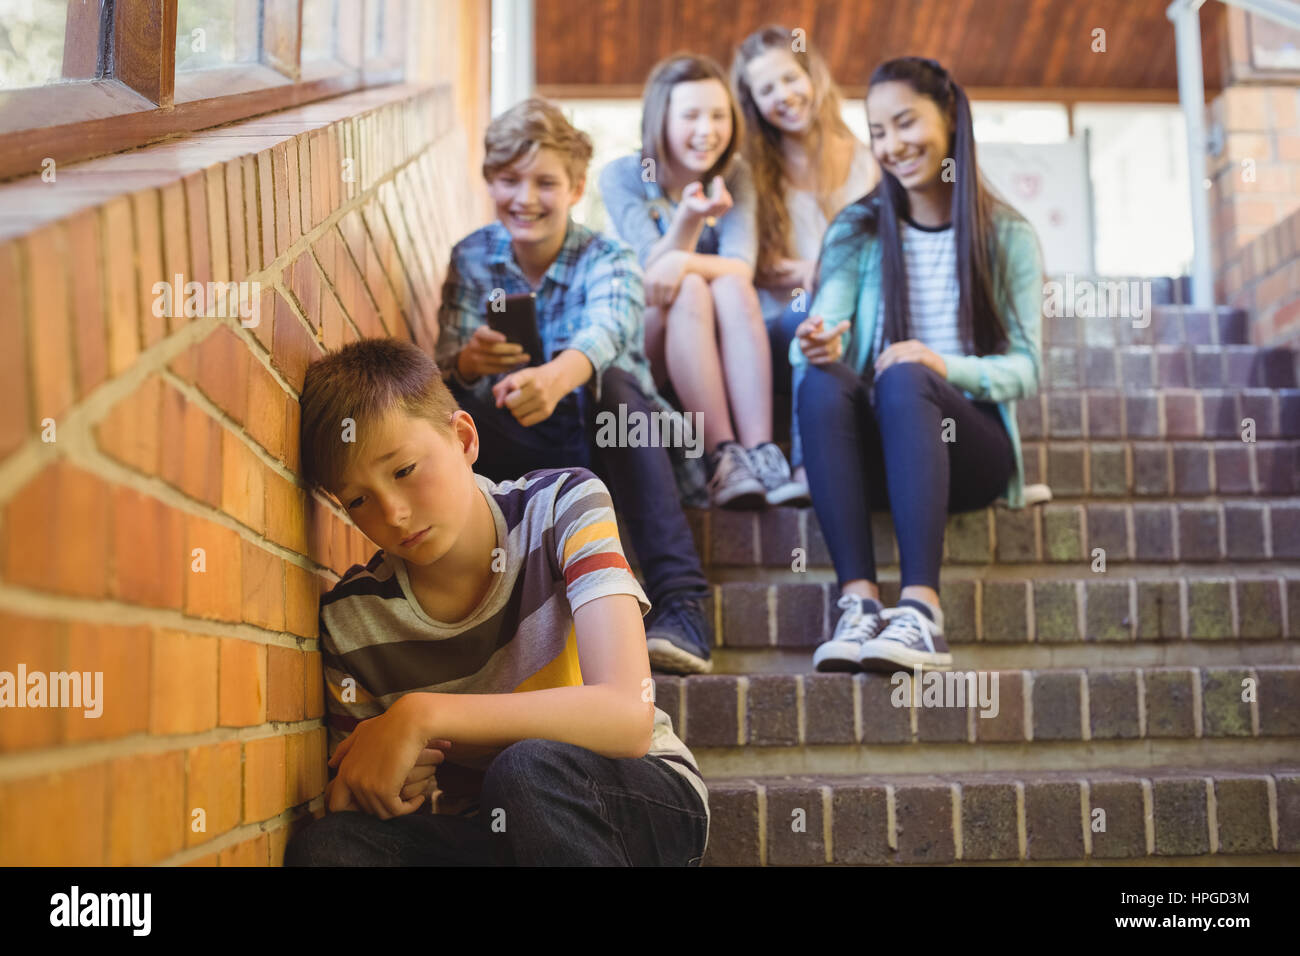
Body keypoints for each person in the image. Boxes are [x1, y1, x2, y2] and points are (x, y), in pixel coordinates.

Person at [283, 338, 709, 866]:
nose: (392, 514)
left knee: (526, 770)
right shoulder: (352, 621)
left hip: (631, 795)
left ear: (463, 439)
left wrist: (423, 715)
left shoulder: (562, 507)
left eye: (404, 470)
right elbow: (359, 799)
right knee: (331, 847)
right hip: (495, 833)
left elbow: (627, 714)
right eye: (358, 500)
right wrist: (394, 787)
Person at [435, 97, 713, 675]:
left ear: (576, 187)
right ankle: (474, 601)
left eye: (545, 182)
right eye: (510, 180)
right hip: (521, 442)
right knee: (450, 406)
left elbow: (605, 331)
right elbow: (448, 366)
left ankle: (683, 601)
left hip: (612, 443)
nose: (526, 199)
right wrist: (468, 362)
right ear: (490, 180)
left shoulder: (608, 257)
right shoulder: (473, 258)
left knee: (615, 386)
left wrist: (556, 378)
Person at [793, 57, 1044, 673]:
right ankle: (857, 603)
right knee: (824, 380)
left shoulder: (1006, 235)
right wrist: (817, 341)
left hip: (969, 453)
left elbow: (1026, 367)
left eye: (906, 122)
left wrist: (942, 365)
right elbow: (826, 319)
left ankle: (920, 611)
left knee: (906, 373)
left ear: (951, 116)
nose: (893, 145)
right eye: (879, 132)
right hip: (883, 453)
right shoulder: (858, 228)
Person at [599, 53, 802, 509]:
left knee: (726, 285)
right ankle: (721, 456)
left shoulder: (735, 175)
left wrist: (680, 262)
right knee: (688, 285)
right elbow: (654, 281)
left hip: (713, 342)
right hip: (640, 345)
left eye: (718, 115)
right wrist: (689, 221)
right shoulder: (624, 177)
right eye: (691, 115)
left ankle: (759, 453)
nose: (707, 130)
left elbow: (740, 267)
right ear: (661, 118)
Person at [731, 25, 879, 499]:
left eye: (790, 79)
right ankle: (804, 468)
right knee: (808, 312)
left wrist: (820, 268)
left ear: (812, 75)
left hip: (855, 315)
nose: (785, 96)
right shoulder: (750, 167)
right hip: (781, 319)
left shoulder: (865, 159)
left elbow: (880, 253)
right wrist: (821, 269)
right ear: (753, 102)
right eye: (767, 89)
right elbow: (760, 264)